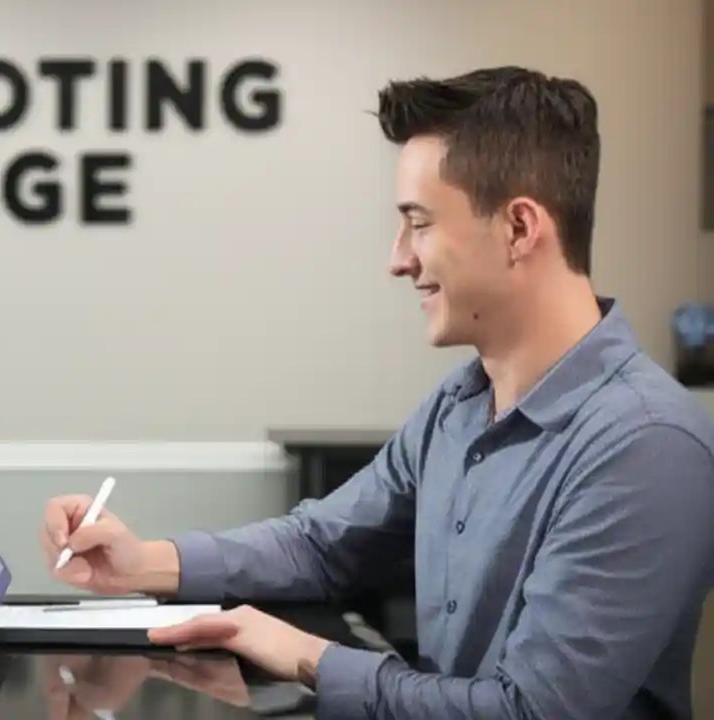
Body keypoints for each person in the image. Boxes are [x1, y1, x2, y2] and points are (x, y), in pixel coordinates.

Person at [40, 66, 714, 719]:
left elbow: (527, 710)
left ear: (518, 228)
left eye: (418, 223)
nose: (398, 258)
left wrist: (307, 656)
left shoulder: (644, 446)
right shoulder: (459, 405)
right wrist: (142, 564)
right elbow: (322, 543)